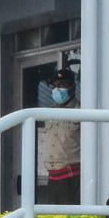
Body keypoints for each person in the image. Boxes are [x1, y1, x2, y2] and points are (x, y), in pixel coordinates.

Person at [41, 67, 80, 206]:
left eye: (61, 85)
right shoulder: (50, 113)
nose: (57, 90)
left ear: (72, 87)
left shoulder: (80, 111)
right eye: (54, 86)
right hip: (52, 177)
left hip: (71, 177)